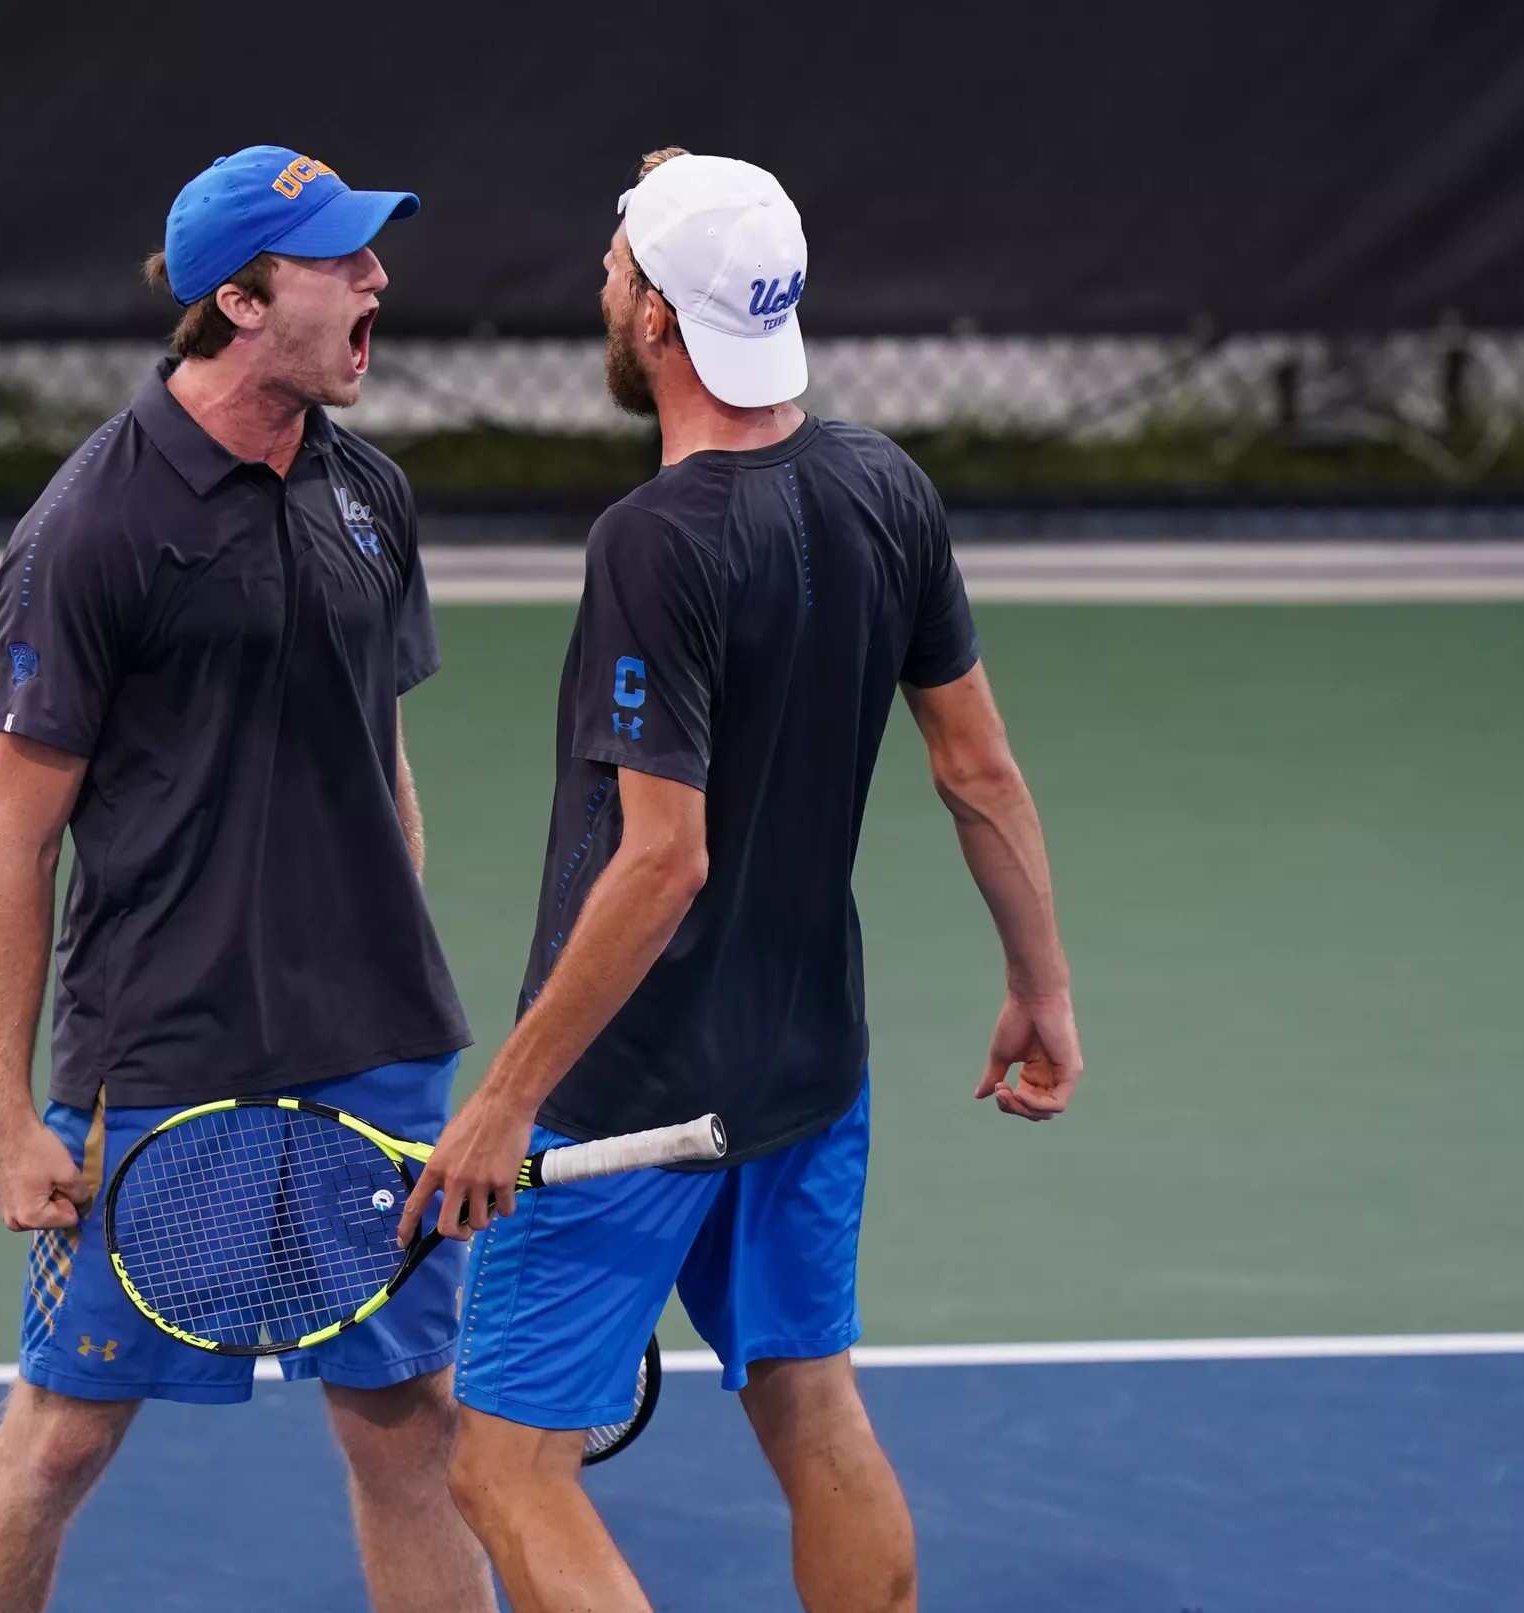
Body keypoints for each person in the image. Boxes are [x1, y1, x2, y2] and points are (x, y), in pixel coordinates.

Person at [401, 150, 1086, 1613]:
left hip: (627, 1091)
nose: (600, 282)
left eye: (616, 268)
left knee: (505, 1470)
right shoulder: (884, 486)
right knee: (813, 1410)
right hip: (806, 1065)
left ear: (656, 320)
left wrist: (508, 1099)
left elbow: (664, 858)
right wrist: (1043, 985)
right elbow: (978, 768)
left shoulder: (655, 542)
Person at [0, 145, 494, 1613]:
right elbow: (16, 836)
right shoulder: (93, 528)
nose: (378, 280)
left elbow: (381, 756)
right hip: (165, 1061)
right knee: (60, 1437)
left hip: (372, 1055)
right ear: (240, 300)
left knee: (409, 1432)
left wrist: (393, 964)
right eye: (341, 261)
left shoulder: (369, 491)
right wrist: (6, 1110)